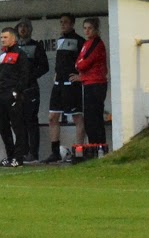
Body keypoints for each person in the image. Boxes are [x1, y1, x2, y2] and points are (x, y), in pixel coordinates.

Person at [44, 15, 84, 163]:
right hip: (58, 84)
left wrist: (81, 76)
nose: (63, 25)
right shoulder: (60, 40)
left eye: (65, 22)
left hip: (71, 85)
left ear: (72, 24)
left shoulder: (79, 41)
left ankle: (79, 153)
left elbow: (84, 61)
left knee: (77, 117)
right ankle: (55, 152)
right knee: (52, 117)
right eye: (61, 22)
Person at [0, 27, 35, 166]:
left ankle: (19, 157)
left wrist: (17, 92)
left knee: (17, 126)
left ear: (13, 38)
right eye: (1, 38)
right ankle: (10, 156)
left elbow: (24, 76)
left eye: (5, 37)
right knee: (2, 126)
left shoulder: (20, 54)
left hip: (12, 95)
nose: (2, 40)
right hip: (1, 94)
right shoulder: (2, 55)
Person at [14, 19, 48, 163]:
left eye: (26, 27)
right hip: (17, 89)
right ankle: (23, 151)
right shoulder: (13, 47)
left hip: (31, 88)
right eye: (20, 26)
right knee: (19, 121)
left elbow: (44, 67)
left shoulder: (36, 46)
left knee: (31, 121)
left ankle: (33, 153)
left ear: (30, 30)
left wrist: (30, 76)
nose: (23, 29)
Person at [73, 17, 109, 152]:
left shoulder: (96, 43)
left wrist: (80, 67)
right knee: (89, 119)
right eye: (85, 28)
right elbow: (78, 63)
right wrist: (80, 67)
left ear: (96, 29)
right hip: (88, 83)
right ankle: (94, 147)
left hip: (96, 84)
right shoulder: (87, 43)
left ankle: (99, 148)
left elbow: (83, 63)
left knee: (95, 118)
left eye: (90, 28)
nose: (87, 31)